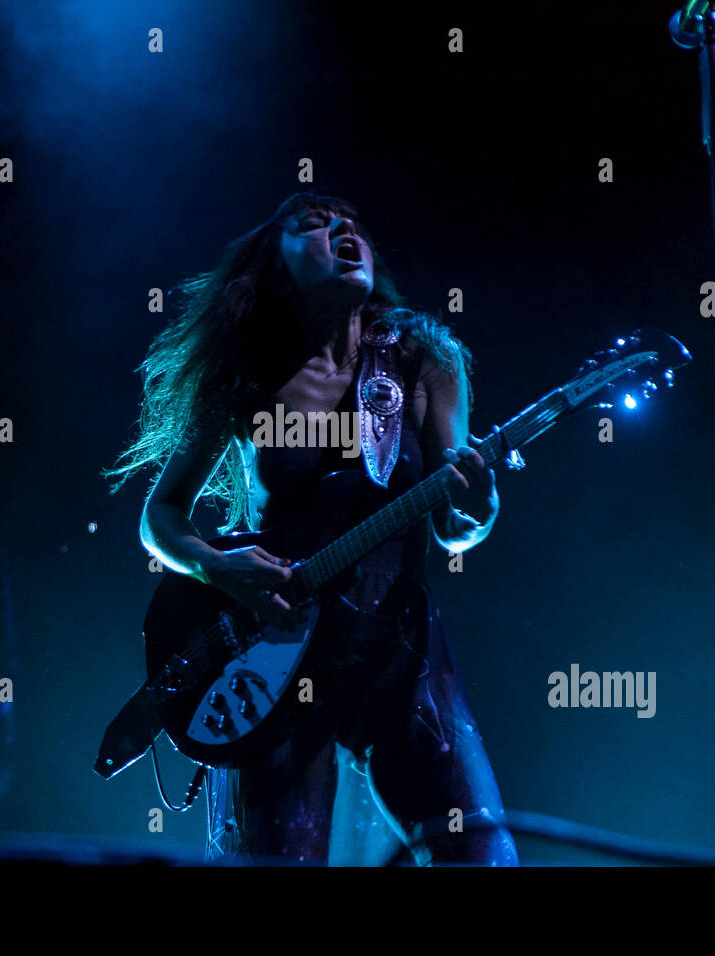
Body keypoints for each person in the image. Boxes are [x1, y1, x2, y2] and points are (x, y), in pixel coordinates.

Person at [106, 191, 518, 865]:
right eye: (314, 224)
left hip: (398, 645)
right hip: (273, 651)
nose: (343, 229)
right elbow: (162, 515)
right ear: (276, 264)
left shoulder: (421, 359)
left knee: (478, 852)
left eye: (351, 223)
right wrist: (217, 566)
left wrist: (479, 503)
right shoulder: (246, 376)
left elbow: (455, 526)